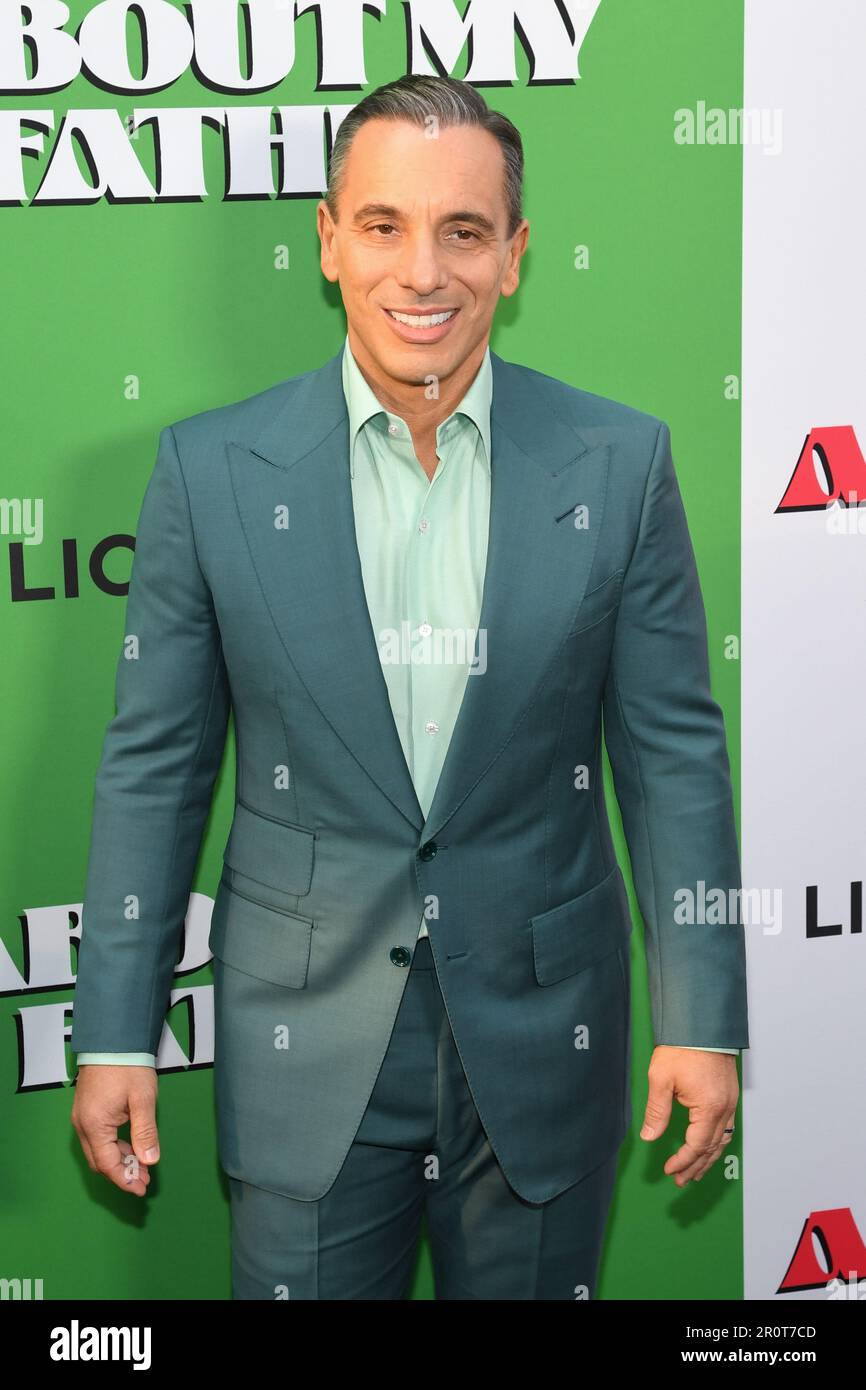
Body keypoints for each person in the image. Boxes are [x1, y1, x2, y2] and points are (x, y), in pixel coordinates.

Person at [71, 74, 748, 1300]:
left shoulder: (620, 465)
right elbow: (155, 769)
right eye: (383, 225)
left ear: (515, 254)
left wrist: (699, 1012)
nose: (421, 272)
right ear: (328, 240)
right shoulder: (211, 472)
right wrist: (117, 1027)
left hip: (544, 1040)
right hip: (305, 1046)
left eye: (463, 231)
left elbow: (671, 760)